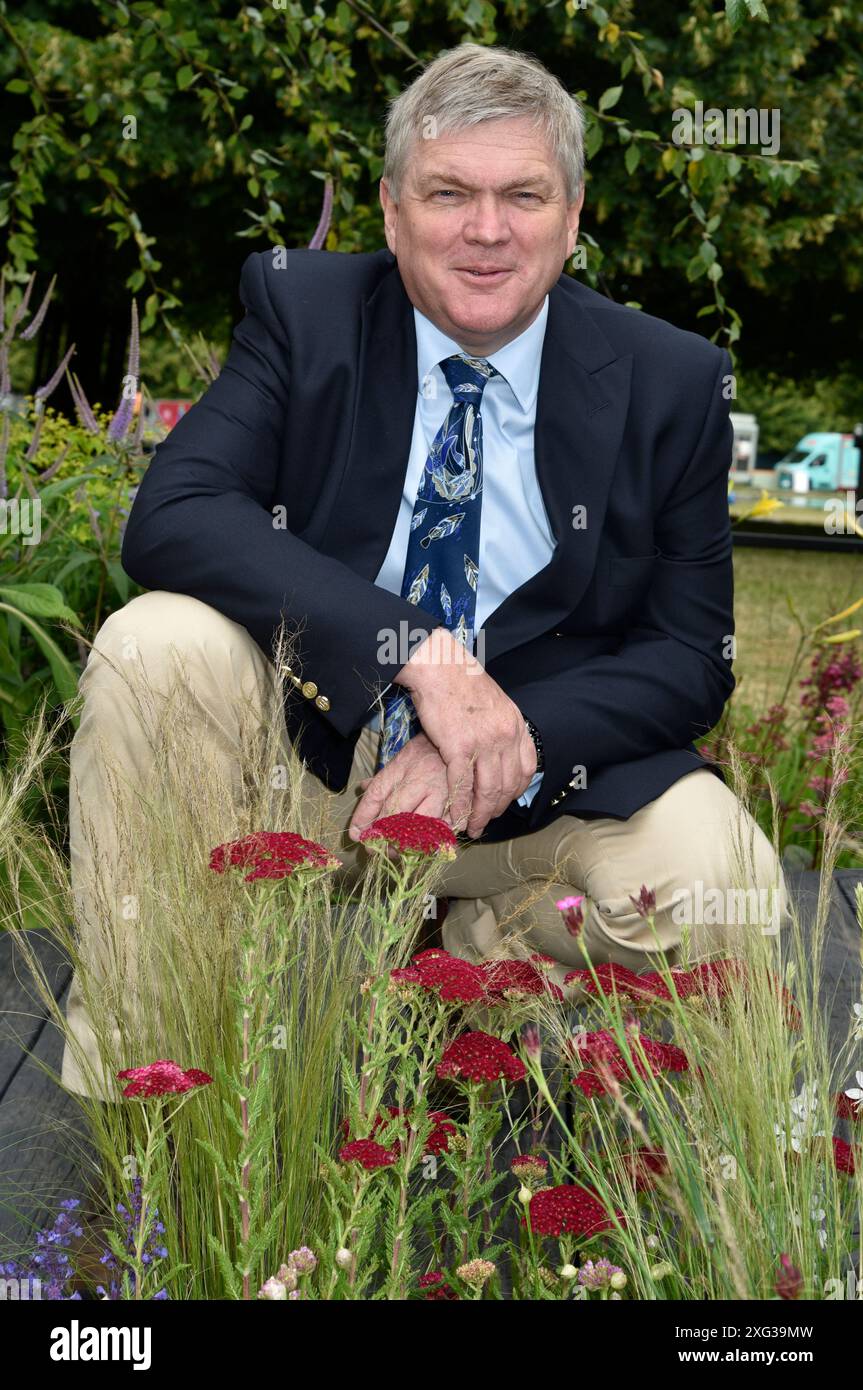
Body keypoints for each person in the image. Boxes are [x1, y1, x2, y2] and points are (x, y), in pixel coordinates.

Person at [61, 43, 787, 1098]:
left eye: (521, 195)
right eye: (447, 193)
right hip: (306, 777)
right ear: (393, 212)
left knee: (724, 879)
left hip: (534, 795)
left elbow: (688, 655)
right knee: (152, 640)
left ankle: (485, 960)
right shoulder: (302, 314)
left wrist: (509, 737)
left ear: (572, 215)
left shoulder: (669, 380)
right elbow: (175, 513)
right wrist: (420, 657)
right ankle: (148, 1071)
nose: (484, 230)